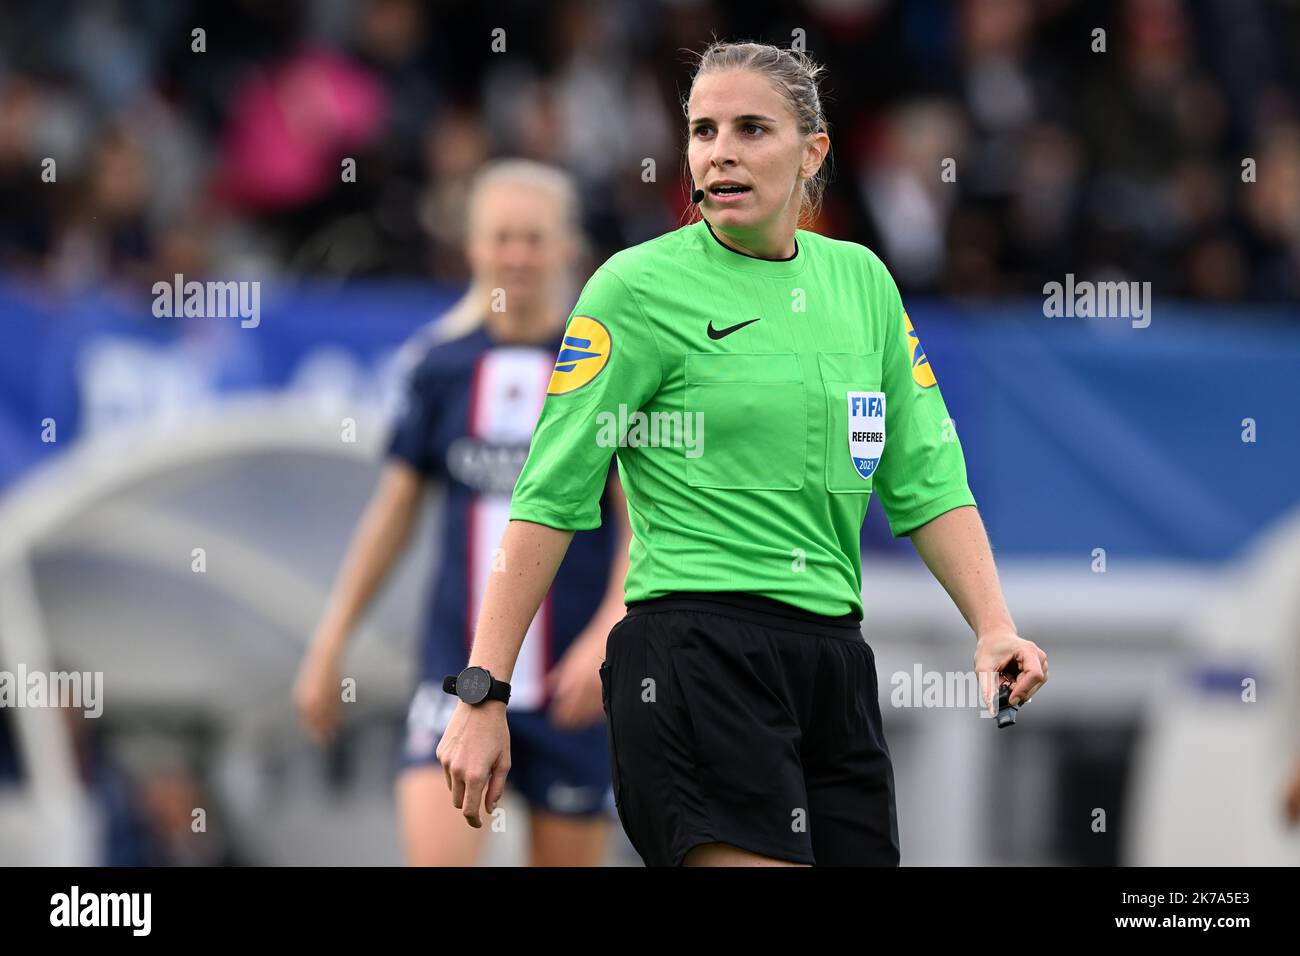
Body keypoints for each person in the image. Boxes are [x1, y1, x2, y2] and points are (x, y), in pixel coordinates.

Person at [436, 42, 1048, 867]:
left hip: (835, 662)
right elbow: (549, 498)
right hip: (694, 655)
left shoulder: (863, 283)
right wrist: (485, 689)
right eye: (702, 129)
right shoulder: (635, 288)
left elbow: (930, 482)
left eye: (752, 129)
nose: (719, 151)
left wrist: (993, 626)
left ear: (813, 152)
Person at [294, 159, 630, 866]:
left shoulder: (604, 366)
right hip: (457, 676)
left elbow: (645, 523)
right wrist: (330, 642)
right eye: (502, 237)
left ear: (567, 248)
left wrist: (609, 631)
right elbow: (391, 517)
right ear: (473, 247)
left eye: (535, 238)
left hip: (572, 688)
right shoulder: (440, 365)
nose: (517, 254)